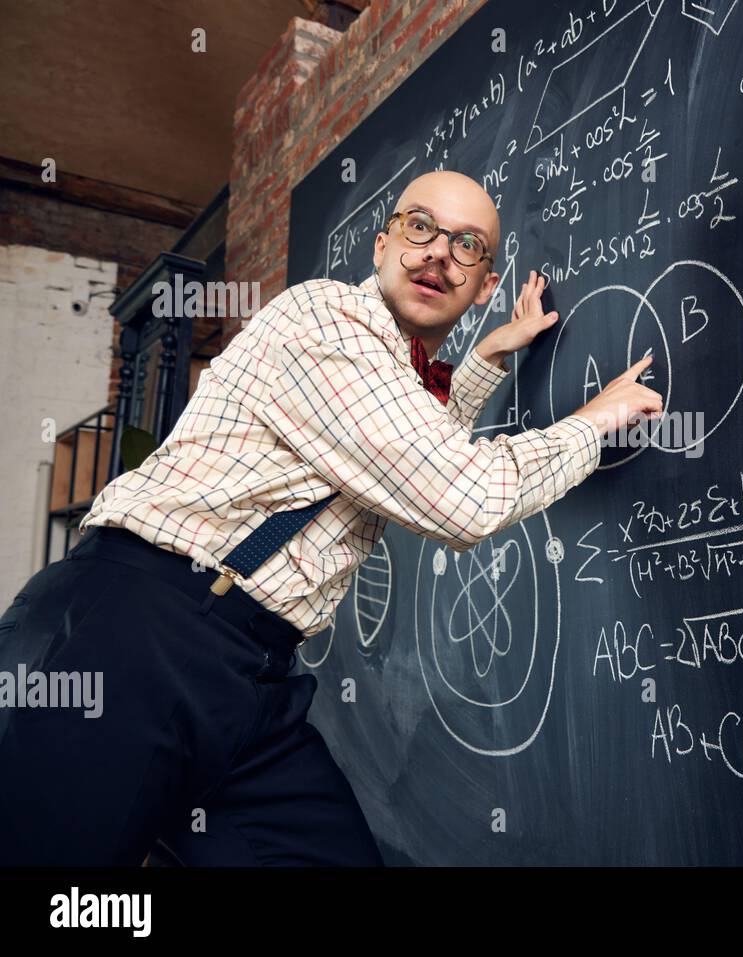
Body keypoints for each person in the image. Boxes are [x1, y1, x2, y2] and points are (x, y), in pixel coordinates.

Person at [0, 170, 662, 866]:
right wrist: (596, 420)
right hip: (133, 635)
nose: (439, 252)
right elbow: (459, 495)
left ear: (484, 286)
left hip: (245, 671)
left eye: (467, 245)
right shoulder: (325, 320)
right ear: (381, 245)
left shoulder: (387, 373)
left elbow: (400, 447)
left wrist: (490, 355)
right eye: (420, 227)